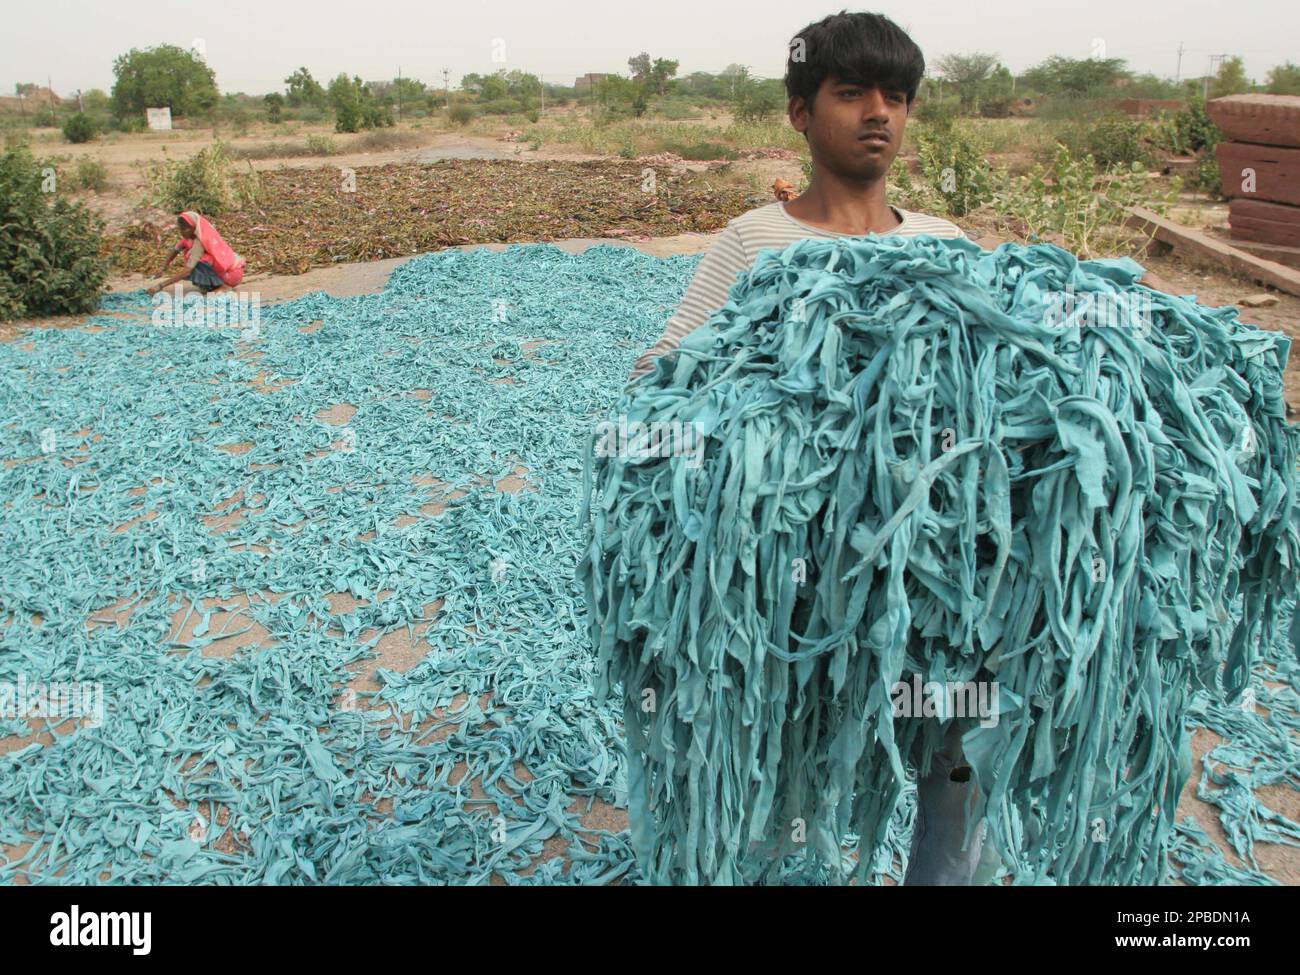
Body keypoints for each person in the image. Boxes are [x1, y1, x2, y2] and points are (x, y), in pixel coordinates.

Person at [630, 11, 994, 885]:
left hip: (941, 575)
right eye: (851, 92)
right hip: (800, 584)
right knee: (789, 744)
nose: (879, 112)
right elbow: (666, 366)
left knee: (965, 748)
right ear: (800, 112)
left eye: (896, 96)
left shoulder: (944, 246)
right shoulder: (756, 242)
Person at [147, 211, 247, 296]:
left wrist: (160, 286)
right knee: (193, 261)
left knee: (198, 262)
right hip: (224, 272)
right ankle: (212, 285)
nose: (182, 232)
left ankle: (224, 286)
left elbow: (187, 271)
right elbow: (174, 251)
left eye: (184, 229)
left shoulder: (200, 241)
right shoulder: (189, 238)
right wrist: (162, 267)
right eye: (180, 229)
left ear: (193, 227)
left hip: (231, 275)